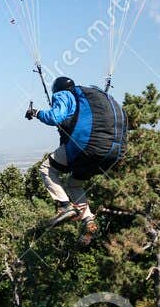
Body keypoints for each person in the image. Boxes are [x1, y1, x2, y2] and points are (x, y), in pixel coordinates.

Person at [26, 75, 127, 244]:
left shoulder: (64, 94)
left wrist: (36, 113)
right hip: (111, 154)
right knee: (74, 184)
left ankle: (64, 206)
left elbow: (54, 117)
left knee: (46, 168)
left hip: (86, 147)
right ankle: (89, 221)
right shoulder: (98, 100)